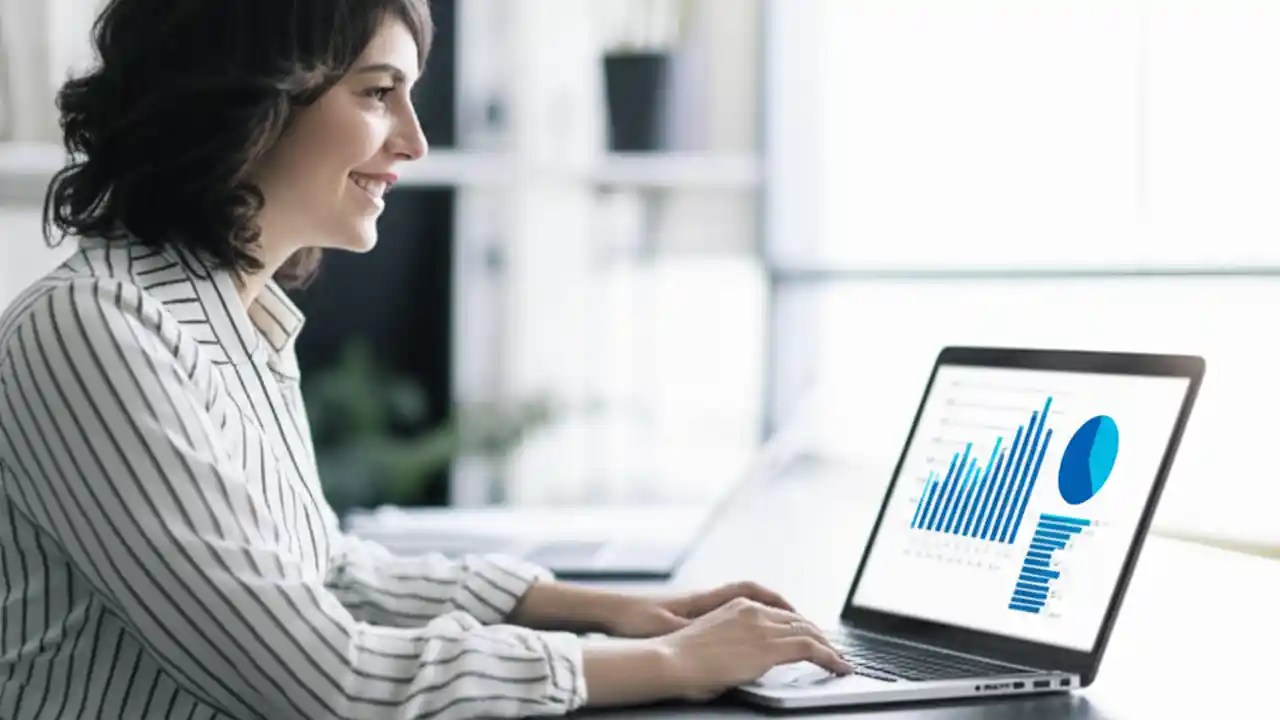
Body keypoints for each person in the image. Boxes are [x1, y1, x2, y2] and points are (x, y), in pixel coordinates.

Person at [0, 0, 853, 717]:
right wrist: (669, 663)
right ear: (249, 99)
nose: (414, 142)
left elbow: (326, 572)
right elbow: (319, 679)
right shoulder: (95, 331)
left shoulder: (231, 323)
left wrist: (618, 612)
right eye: (379, 94)